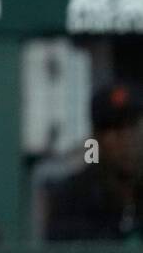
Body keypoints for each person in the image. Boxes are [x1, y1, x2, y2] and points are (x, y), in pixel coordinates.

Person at [44, 83, 143, 241]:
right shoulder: (74, 198)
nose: (126, 140)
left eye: (133, 127)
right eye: (115, 130)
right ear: (96, 137)